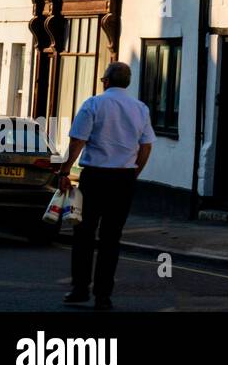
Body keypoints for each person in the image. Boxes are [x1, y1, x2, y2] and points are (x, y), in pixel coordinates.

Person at [56, 61, 155, 310]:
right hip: (124, 180)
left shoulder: (93, 104)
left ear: (106, 81)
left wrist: (65, 169)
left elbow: (78, 140)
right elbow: (146, 147)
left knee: (84, 234)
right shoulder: (140, 109)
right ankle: (103, 296)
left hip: (95, 178)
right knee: (112, 238)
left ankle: (80, 289)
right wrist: (134, 172)